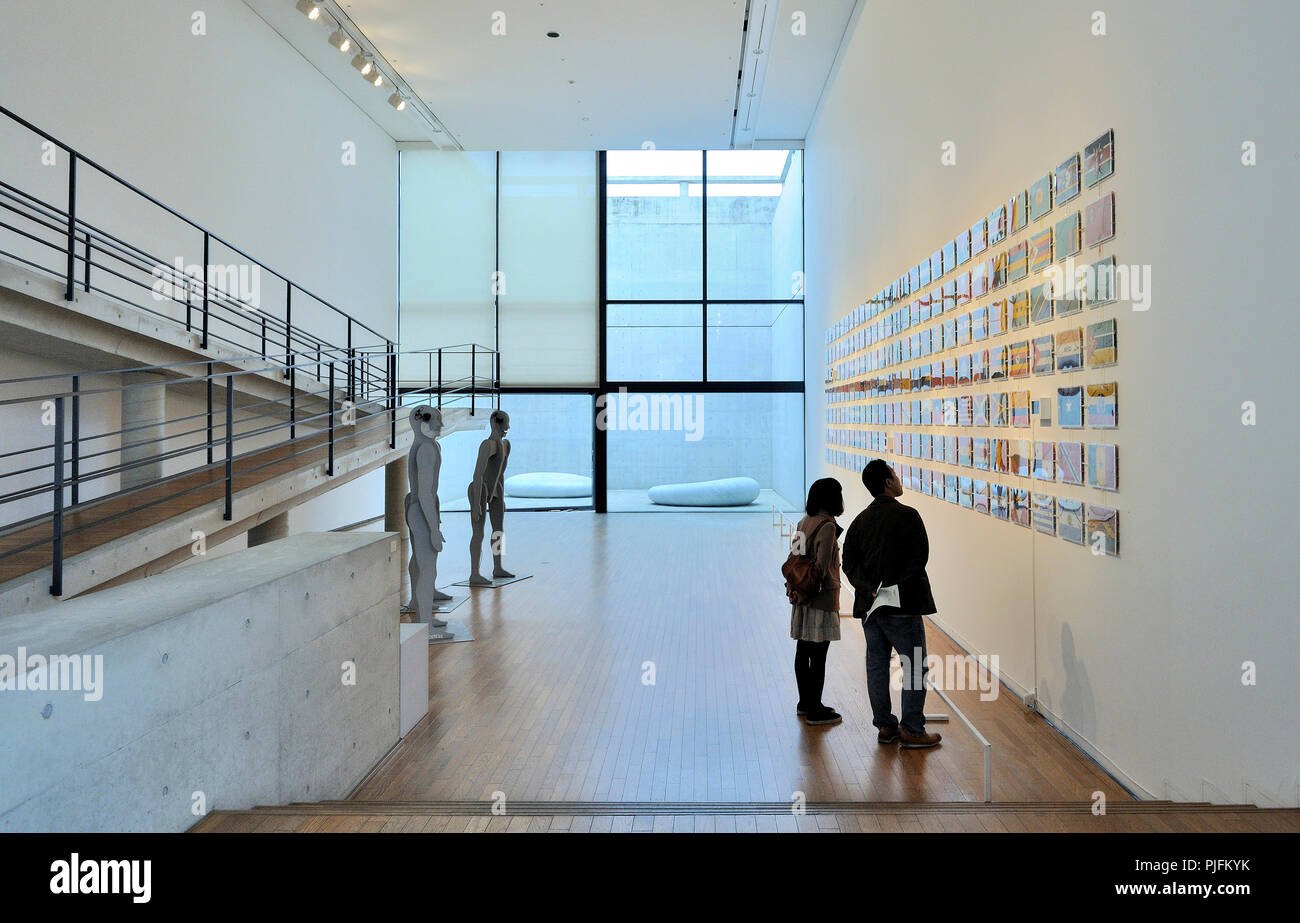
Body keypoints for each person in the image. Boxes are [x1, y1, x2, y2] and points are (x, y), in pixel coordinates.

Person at [841, 459, 942, 749]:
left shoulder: (860, 522)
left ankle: (885, 726)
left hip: (871, 608)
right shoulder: (908, 515)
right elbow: (918, 558)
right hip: (903, 606)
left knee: (877, 665)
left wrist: (869, 588)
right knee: (912, 666)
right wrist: (890, 586)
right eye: (895, 475)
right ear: (887, 482)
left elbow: (848, 563)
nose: (899, 479)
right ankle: (912, 728)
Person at [790, 477, 845, 727]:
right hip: (820, 600)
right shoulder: (827, 527)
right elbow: (822, 568)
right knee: (819, 655)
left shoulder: (804, 522)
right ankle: (815, 709)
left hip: (802, 597)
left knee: (803, 651)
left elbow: (795, 557)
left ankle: (805, 703)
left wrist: (795, 589)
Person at [467, 409, 515, 585]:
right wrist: (476, 505)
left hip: (495, 490)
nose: (507, 427)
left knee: (498, 530)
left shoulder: (505, 445)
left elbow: (500, 473)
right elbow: (477, 475)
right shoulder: (487, 445)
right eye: (504, 423)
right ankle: (474, 573)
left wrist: (500, 498)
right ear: (495, 423)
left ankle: (498, 567)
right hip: (479, 490)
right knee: (478, 532)